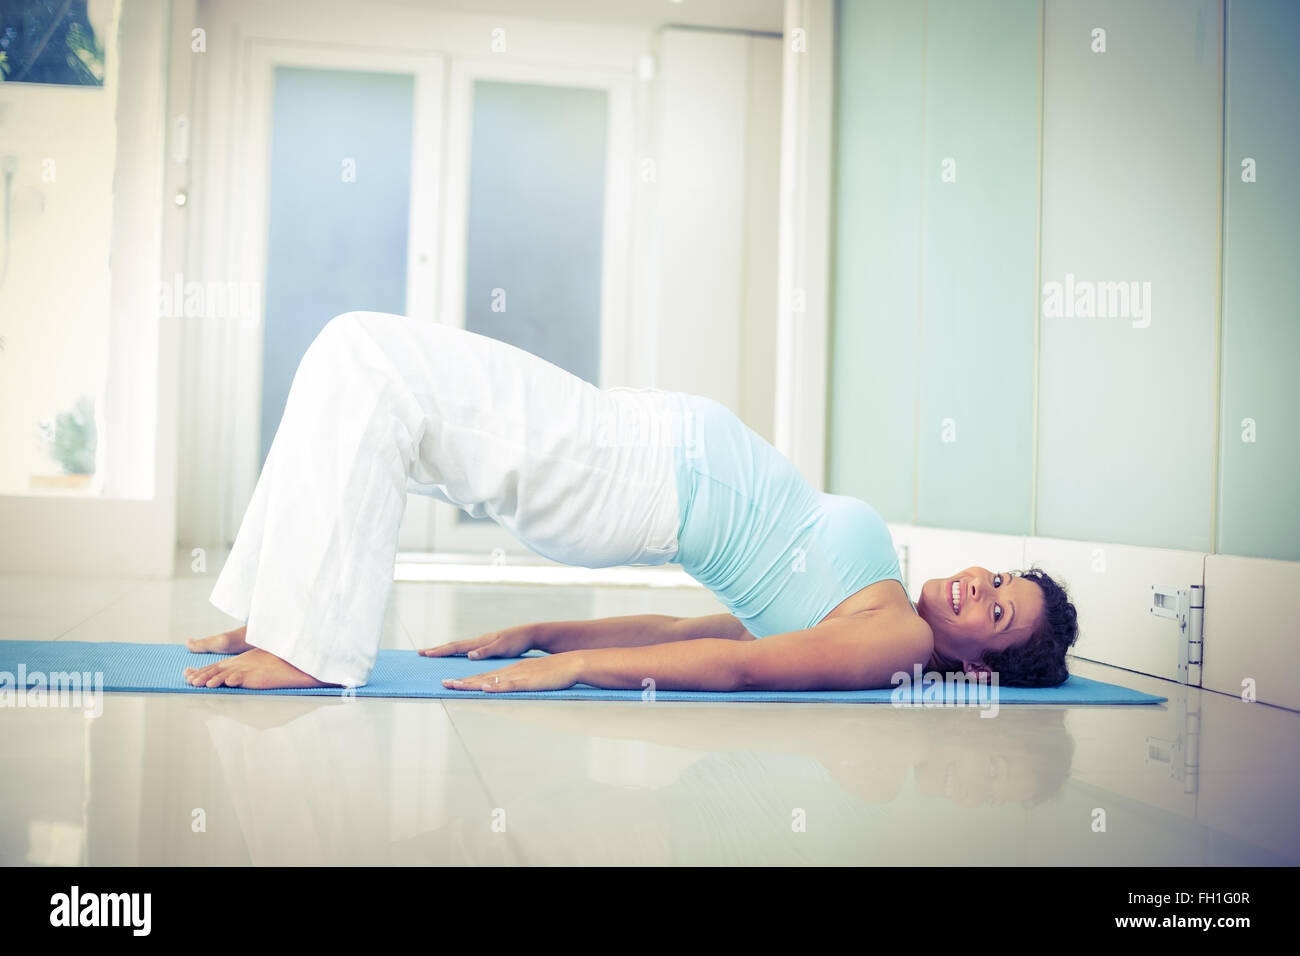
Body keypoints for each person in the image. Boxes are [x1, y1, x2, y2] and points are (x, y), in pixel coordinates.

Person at [185, 311, 1078, 693]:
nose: (977, 587)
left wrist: (578, 671)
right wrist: (549, 629)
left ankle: (308, 650)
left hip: (630, 474)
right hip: (630, 453)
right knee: (364, 379)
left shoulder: (900, 641)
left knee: (366, 356)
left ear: (976, 669)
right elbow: (714, 634)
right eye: (996, 577)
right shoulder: (873, 602)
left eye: (999, 613)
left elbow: (741, 674)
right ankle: (282, 617)